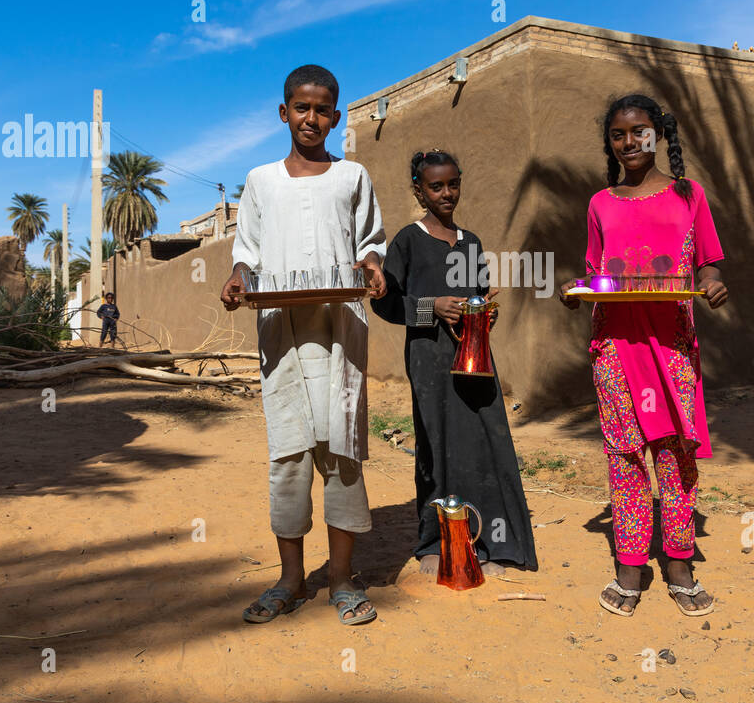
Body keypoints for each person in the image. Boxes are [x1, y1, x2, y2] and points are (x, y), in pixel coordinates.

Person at [220, 64, 388, 627]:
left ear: (336, 117)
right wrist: (240, 277)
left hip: (341, 334)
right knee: (288, 456)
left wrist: (371, 266)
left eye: (322, 109)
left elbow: (370, 242)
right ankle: (290, 580)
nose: (310, 118)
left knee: (342, 454)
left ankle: (341, 579)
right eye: (301, 107)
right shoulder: (261, 180)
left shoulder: (352, 176)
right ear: (284, 112)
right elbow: (247, 250)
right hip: (282, 336)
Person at [559, 94, 729, 618]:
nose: (629, 142)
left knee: (676, 452)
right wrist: (577, 288)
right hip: (615, 344)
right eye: (618, 134)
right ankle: (631, 562)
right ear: (608, 143)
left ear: (658, 135)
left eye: (639, 131)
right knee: (625, 452)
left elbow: (709, 266)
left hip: (673, 342)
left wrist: (713, 284)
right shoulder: (599, 203)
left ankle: (678, 560)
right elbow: (597, 274)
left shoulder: (688, 195)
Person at [371, 150, 538, 575]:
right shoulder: (408, 240)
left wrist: (485, 314)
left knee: (485, 440)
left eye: (453, 184)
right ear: (419, 190)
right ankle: (434, 542)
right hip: (429, 359)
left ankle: (490, 539)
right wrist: (432, 307)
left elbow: (478, 296)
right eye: (436, 186)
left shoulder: (471, 242)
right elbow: (387, 304)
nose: (447, 193)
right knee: (436, 442)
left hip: (475, 356)